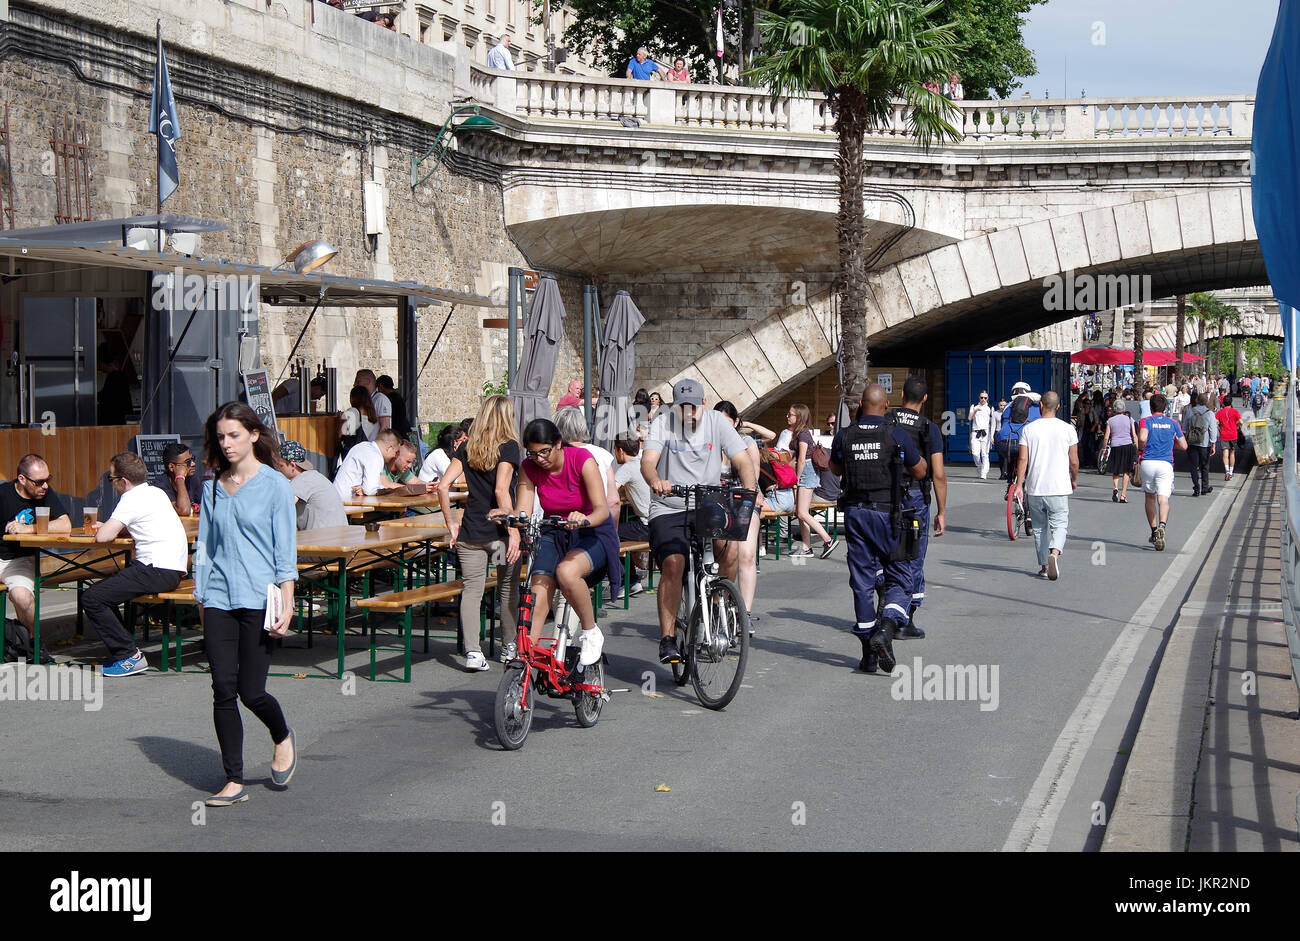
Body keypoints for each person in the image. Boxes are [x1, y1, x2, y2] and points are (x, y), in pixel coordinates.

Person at [192, 402, 297, 807]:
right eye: (221, 436)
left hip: (259, 596)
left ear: (253, 434)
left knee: (252, 692)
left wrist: (287, 601)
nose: (227, 443)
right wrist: (200, 594)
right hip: (218, 596)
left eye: (234, 435)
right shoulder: (212, 486)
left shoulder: (275, 486)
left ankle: (282, 735)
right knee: (222, 688)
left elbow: (284, 551)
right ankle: (233, 779)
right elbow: (205, 547)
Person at [641, 379, 757, 665]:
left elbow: (742, 460)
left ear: (704, 404)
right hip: (670, 505)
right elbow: (648, 461)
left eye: (694, 406)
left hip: (707, 503)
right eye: (683, 407)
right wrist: (656, 480)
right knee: (673, 563)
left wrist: (749, 493)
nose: (689, 412)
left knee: (730, 548)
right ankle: (667, 638)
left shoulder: (718, 422)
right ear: (676, 406)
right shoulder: (663, 423)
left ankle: (719, 602)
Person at [493, 418, 618, 667]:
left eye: (544, 451)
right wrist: (508, 516)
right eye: (533, 453)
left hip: (592, 532)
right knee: (538, 584)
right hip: (554, 530)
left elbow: (602, 510)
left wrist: (583, 518)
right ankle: (527, 652)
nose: (539, 459)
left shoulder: (582, 460)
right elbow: (524, 512)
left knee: (566, 572)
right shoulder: (530, 467)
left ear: (559, 443)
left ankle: (591, 631)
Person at [830, 386, 926, 674]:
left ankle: (868, 653)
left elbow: (835, 469)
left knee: (862, 582)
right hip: (889, 515)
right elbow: (920, 470)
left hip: (856, 515)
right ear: (886, 405)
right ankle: (886, 627)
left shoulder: (844, 435)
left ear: (861, 404)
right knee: (900, 577)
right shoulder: (894, 433)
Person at [437, 395, 523, 670]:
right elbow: (501, 490)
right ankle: (509, 646)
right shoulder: (508, 447)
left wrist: (451, 522)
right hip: (498, 533)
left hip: (472, 532)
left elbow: (442, 486)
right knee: (507, 589)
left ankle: (474, 652)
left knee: (472, 591)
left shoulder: (467, 448)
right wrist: (514, 530)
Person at [85, 452, 188, 676]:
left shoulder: (131, 498)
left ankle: (128, 656)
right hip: (172, 569)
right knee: (105, 594)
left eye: (111, 479)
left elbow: (102, 538)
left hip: (154, 569)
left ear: (123, 481)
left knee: (92, 598)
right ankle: (125, 650)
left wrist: (105, 528)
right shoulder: (156, 492)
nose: (112, 484)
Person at [888, 376, 946, 637]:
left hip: (885, 496)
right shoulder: (929, 428)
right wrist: (942, 512)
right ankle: (905, 618)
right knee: (913, 553)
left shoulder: (887, 421)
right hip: (915, 499)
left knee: (887, 552)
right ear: (924, 399)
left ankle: (886, 610)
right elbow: (939, 474)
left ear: (901, 396)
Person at [0, 454, 72, 662]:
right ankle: (12, 636)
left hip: (20, 560)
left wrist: (29, 528)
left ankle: (33, 640)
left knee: (21, 597)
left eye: (48, 479)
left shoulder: (44, 494)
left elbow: (65, 525)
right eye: (39, 481)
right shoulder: (3, 494)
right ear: (22, 479)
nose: (45, 486)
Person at [1015, 391, 1078, 580]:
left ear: (1041, 405)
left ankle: (1044, 566)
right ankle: (1055, 552)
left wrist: (1019, 484)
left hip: (1035, 488)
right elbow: (1073, 461)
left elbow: (1022, 458)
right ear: (1057, 407)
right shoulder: (1068, 429)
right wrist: (1074, 479)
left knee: (1040, 528)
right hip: (1059, 487)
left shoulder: (1029, 429)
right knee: (1060, 525)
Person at [715, 401, 764, 630]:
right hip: (714, 502)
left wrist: (750, 502)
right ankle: (718, 605)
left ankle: (744, 613)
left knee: (746, 554)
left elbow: (751, 480)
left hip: (743, 500)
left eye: (727, 422)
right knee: (720, 555)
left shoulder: (746, 443)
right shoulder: (708, 444)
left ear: (735, 423)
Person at [785, 404, 838, 558]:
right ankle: (807, 547)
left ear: (799, 417)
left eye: (791, 414)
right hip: (807, 471)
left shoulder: (803, 434)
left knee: (801, 512)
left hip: (807, 472)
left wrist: (796, 478)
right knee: (801, 512)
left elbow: (801, 459)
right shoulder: (800, 433)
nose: (788, 417)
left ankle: (828, 540)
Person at [1136, 394, 1187, 552]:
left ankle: (1153, 531)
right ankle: (1162, 526)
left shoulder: (1146, 421)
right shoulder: (1173, 423)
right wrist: (1171, 445)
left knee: (1149, 497)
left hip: (1149, 462)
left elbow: (1143, 438)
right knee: (1163, 499)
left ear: (1150, 407)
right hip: (1166, 463)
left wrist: (1141, 446)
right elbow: (1184, 446)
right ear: (1165, 408)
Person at [553, 406, 620, 520]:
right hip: (595, 523)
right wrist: (612, 533)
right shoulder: (602, 455)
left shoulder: (553, 455)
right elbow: (614, 501)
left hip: (559, 522)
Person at [273, 440, 347, 530]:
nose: (277, 469)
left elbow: (283, 508)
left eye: (280, 466)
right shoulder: (315, 476)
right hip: (340, 537)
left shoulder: (301, 480)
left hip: (323, 541)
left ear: (292, 465)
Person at [613, 435, 652, 595]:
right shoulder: (643, 462)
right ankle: (632, 581)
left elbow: (609, 492)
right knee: (620, 533)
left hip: (646, 525)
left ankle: (624, 582)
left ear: (620, 451)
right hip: (655, 521)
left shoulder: (627, 468)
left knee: (611, 536)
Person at [333, 429, 404, 500]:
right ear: (389, 448)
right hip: (347, 504)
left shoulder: (363, 446)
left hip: (338, 499)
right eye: (396, 452)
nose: (395, 456)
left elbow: (368, 488)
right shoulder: (375, 455)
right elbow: (370, 489)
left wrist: (365, 489)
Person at [994, 382, 1041, 481]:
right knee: (1030, 462)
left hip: (1003, 443)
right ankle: (1027, 482)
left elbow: (1003, 423)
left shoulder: (1007, 406)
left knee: (1010, 456)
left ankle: (1010, 482)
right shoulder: (1036, 407)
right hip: (1024, 443)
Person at [154, 441, 204, 517]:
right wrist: (180, 478)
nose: (193, 464)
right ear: (171, 467)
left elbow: (205, 507)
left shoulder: (192, 479)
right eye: (188, 462)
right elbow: (183, 510)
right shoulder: (160, 485)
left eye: (192, 459)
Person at [1183, 392, 1218, 497]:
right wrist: (1213, 443)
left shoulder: (1190, 411)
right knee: (1205, 465)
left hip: (1192, 442)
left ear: (1197, 401)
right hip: (1204, 442)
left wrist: (1185, 440)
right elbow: (1213, 429)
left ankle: (1196, 487)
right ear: (1206, 402)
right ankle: (1205, 487)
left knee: (1193, 466)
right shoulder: (1210, 413)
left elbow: (1184, 427)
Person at [1102, 402, 1136, 503]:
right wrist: (1137, 448)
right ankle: (1123, 495)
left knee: (1116, 469)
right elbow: (1134, 434)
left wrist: (1104, 449)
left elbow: (1106, 437)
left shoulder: (1110, 420)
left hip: (1115, 445)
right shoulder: (1130, 419)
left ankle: (1115, 488)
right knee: (1126, 470)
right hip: (1127, 445)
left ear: (1114, 409)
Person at [339, 385, 378, 460]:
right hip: (368, 455)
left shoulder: (351, 413)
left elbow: (341, 434)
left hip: (353, 455)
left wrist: (340, 420)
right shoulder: (372, 416)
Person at [1216, 394, 1243, 480]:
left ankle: (1226, 470)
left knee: (1225, 453)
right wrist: (1236, 425)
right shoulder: (1235, 412)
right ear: (1231, 402)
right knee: (1232, 453)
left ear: (1223, 403)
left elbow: (1215, 422)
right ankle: (1231, 472)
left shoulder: (1219, 412)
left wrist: (1220, 425)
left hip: (1224, 434)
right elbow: (1241, 422)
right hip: (1233, 434)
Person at [969, 390, 994, 479]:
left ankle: (984, 473)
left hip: (986, 433)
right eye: (981, 397)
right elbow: (969, 418)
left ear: (987, 398)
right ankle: (979, 466)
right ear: (979, 398)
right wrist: (975, 411)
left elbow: (992, 423)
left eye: (985, 398)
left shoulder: (990, 408)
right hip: (975, 432)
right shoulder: (974, 406)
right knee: (975, 453)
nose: (983, 399)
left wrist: (992, 436)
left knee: (985, 454)